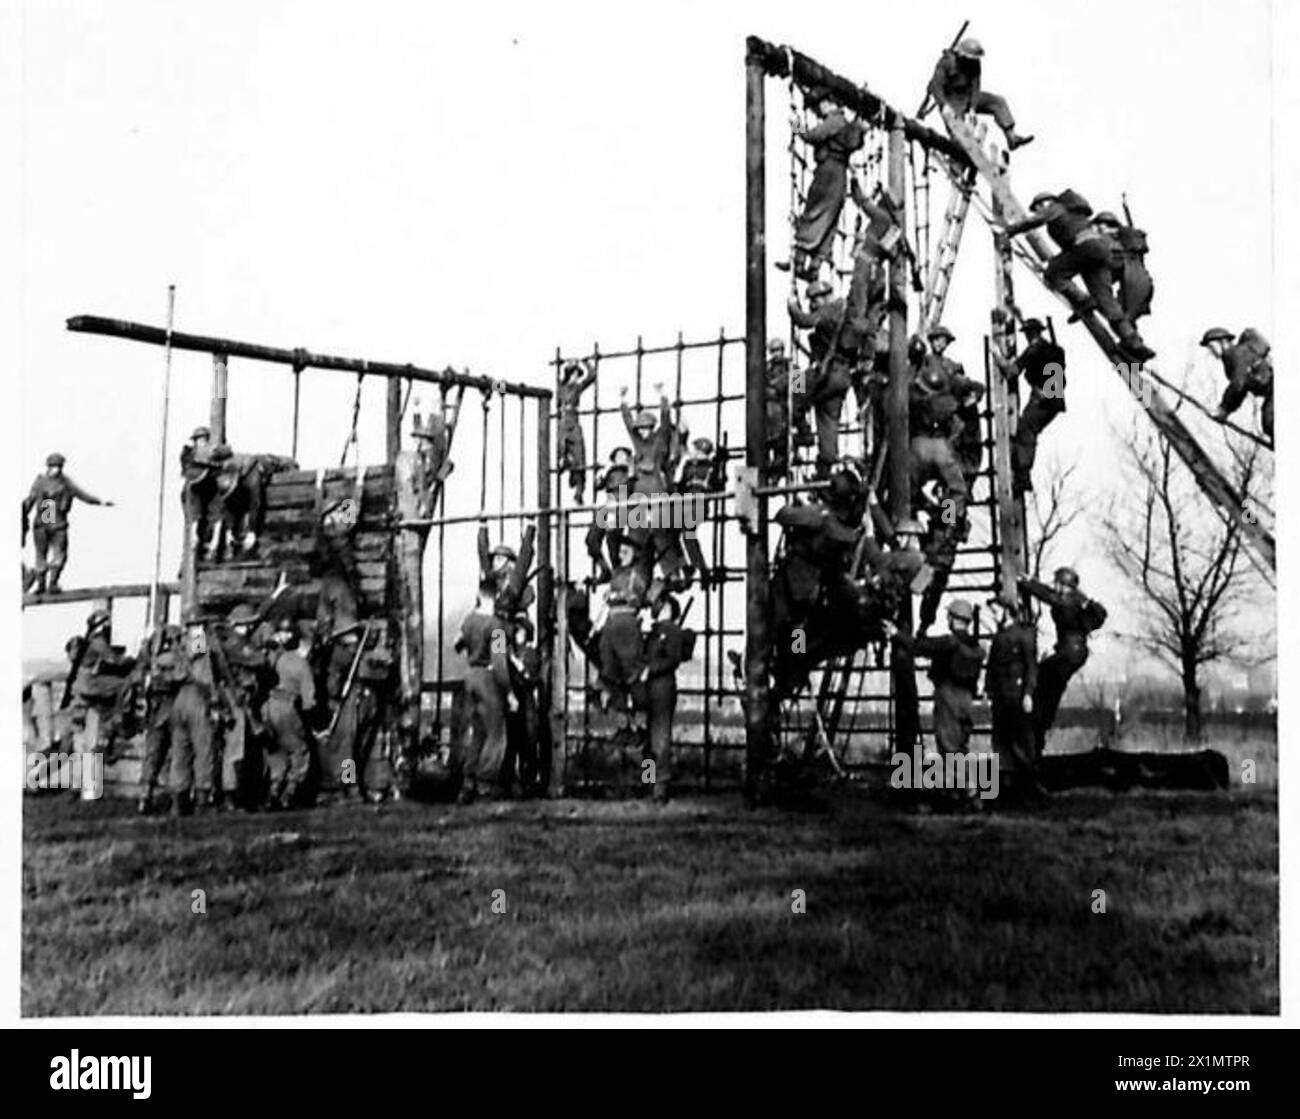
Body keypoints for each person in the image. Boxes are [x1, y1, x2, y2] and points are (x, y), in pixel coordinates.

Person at [1000, 192, 1154, 361]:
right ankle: (1134, 342)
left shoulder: (1055, 207)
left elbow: (1033, 221)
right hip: (1100, 252)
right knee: (1107, 302)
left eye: (1037, 206)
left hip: (1085, 248)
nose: (1037, 210)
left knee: (1053, 273)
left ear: (1045, 202)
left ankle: (1082, 300)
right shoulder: (1075, 213)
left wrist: (1010, 230)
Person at [1018, 566, 1107, 757]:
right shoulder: (1080, 600)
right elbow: (1051, 594)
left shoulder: (1067, 601)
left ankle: (1036, 732)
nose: (1055, 586)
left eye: (1057, 582)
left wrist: (1027, 583)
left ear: (1064, 584)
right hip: (1075, 652)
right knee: (1049, 687)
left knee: (1042, 686)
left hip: (1068, 652)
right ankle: (1038, 731)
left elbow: (1049, 597)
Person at [783, 88, 866, 281]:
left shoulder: (834, 121)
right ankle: (814, 266)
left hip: (826, 173)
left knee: (814, 211)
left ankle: (799, 260)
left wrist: (796, 125)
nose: (817, 110)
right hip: (840, 175)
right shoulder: (846, 124)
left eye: (819, 105)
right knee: (830, 217)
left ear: (828, 102)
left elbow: (810, 136)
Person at [891, 597, 985, 763]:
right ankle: (968, 786)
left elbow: (917, 647)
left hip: (948, 696)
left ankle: (953, 787)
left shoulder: (948, 642)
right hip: (967, 698)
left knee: (947, 744)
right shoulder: (974, 646)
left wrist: (895, 634)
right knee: (961, 744)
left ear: (953, 618)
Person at [787, 280, 858, 472]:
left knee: (796, 381)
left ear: (824, 297)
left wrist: (792, 306)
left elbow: (804, 321)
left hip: (828, 373)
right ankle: (827, 465)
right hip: (842, 377)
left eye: (814, 300)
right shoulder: (845, 311)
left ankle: (802, 430)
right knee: (827, 419)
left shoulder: (829, 310)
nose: (812, 304)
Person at [21, 453, 113, 594]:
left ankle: (52, 583)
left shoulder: (65, 483)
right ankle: (41, 584)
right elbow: (30, 501)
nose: (56, 469)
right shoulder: (40, 483)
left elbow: (83, 495)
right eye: (53, 466)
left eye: (58, 466)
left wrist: (100, 501)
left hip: (57, 523)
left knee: (58, 555)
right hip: (46, 524)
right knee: (42, 555)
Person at [455, 582, 513, 803]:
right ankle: (485, 783)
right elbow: (499, 660)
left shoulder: (468, 620)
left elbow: (457, 643)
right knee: (496, 734)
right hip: (487, 678)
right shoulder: (495, 625)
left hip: (470, 675)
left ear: (479, 595)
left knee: (477, 732)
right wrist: (508, 691)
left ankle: (468, 781)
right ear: (495, 597)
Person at [994, 318, 1067, 492]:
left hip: (1042, 398)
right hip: (1056, 400)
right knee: (1029, 431)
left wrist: (997, 357)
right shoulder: (1056, 350)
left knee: (1025, 431)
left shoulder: (1033, 351)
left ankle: (1022, 475)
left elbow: (1012, 372)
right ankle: (1021, 470)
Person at [619, 383, 683, 578]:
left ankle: (672, 572)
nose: (643, 431)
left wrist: (663, 397)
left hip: (656, 491)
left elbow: (665, 421)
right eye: (641, 429)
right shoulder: (639, 443)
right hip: (640, 493)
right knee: (637, 535)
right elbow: (629, 426)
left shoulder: (660, 439)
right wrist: (624, 402)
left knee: (661, 535)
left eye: (646, 428)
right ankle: (637, 573)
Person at [984, 594, 1042, 800]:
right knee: (1001, 739)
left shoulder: (1024, 636)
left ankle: (1028, 786)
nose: (993, 615)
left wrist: (1028, 693)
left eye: (995, 611)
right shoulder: (999, 637)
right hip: (1001, 695)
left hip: (1017, 695)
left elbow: (1031, 668)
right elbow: (992, 666)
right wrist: (987, 689)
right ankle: (1008, 784)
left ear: (1006, 611)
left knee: (1021, 740)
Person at [927, 38, 1033, 150]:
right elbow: (936, 87)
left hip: (967, 95)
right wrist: (944, 106)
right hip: (952, 98)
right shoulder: (947, 62)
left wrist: (973, 108)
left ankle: (1011, 137)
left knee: (998, 102)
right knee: (957, 126)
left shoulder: (975, 64)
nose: (972, 62)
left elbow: (975, 87)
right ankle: (959, 150)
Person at [641, 594, 695, 804]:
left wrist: (650, 669)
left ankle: (659, 787)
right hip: (655, 686)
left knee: (659, 738)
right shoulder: (659, 630)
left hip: (661, 686)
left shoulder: (669, 631)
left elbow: (673, 660)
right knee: (651, 737)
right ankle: (650, 782)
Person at [262, 615, 317, 809]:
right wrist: (313, 724)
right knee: (300, 752)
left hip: (269, 705)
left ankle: (274, 790)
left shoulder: (275, 658)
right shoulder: (301, 664)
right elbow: (309, 701)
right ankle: (348, 783)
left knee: (277, 752)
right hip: (288, 708)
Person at [134, 625, 188, 815]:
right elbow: (199, 667)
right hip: (178, 704)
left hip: (156, 708)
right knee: (179, 754)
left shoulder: (152, 657)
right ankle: (177, 802)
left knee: (153, 754)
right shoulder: (190, 644)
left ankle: (145, 796)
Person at [169, 621, 220, 815]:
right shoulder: (199, 641)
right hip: (197, 698)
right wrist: (214, 701)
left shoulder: (176, 643)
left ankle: (178, 802)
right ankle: (202, 802)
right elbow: (204, 676)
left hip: (178, 699)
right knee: (203, 750)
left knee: (180, 752)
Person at [596, 537, 650, 711]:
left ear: (634, 553)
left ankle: (638, 715)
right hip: (612, 622)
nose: (621, 556)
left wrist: (622, 596)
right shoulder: (618, 573)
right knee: (608, 665)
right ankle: (619, 714)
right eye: (620, 552)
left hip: (626, 623)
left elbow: (638, 596)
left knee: (631, 668)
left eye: (625, 552)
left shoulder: (638, 573)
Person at [1202, 327, 1273, 440]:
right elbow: (1240, 389)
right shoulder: (1230, 360)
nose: (1210, 351)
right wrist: (1225, 410)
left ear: (1223, 342)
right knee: (1270, 424)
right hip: (1270, 391)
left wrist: (1223, 409)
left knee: (1271, 421)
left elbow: (1238, 384)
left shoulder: (1236, 354)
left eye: (1211, 346)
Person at [503, 617, 542, 797]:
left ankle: (529, 782)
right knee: (512, 743)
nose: (518, 635)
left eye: (521, 631)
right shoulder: (508, 651)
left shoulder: (531, 653)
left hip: (526, 700)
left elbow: (530, 676)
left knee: (528, 741)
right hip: (512, 699)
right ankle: (509, 782)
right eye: (516, 631)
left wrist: (514, 661)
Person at [675, 435, 721, 585]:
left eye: (695, 449)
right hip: (687, 503)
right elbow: (681, 485)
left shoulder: (710, 468)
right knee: (676, 534)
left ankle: (700, 568)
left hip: (698, 503)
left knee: (687, 534)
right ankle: (692, 566)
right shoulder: (690, 465)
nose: (692, 452)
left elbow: (716, 485)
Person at [587, 447, 632, 582]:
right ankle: (605, 569)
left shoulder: (630, 474)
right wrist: (597, 480)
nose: (620, 458)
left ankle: (618, 572)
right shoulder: (611, 472)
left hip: (620, 508)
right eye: (618, 456)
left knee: (613, 540)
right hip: (609, 507)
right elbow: (599, 485)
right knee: (592, 540)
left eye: (623, 456)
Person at [557, 359, 598, 501]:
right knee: (562, 450)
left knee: (579, 455)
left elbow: (592, 376)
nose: (576, 378)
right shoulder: (561, 388)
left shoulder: (577, 387)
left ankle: (579, 489)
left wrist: (586, 362)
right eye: (574, 374)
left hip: (573, 421)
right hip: (563, 422)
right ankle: (567, 466)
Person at [180, 426, 220, 560]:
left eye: (204, 439)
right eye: (200, 439)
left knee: (215, 513)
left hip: (208, 489)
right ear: (196, 441)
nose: (202, 442)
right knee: (194, 514)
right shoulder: (188, 453)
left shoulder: (212, 453)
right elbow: (188, 468)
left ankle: (212, 544)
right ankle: (195, 539)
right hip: (194, 488)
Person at [412, 409, 454, 518]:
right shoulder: (417, 460)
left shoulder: (430, 459)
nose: (420, 445)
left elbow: (448, 466)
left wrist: (437, 481)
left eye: (423, 441)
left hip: (426, 494)